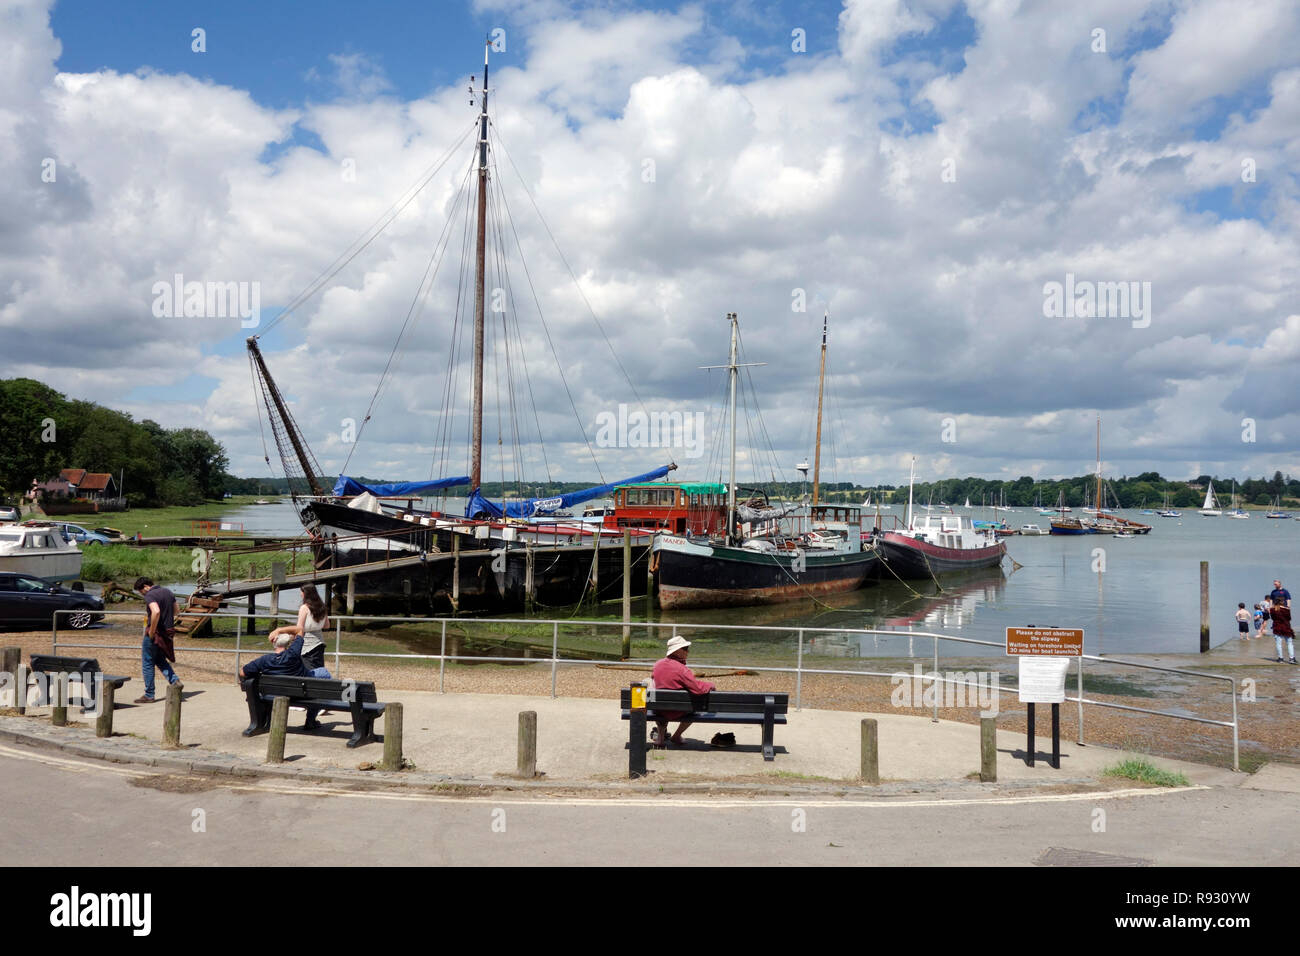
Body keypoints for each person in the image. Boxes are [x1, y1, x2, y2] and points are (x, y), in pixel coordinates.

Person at [239, 633, 324, 728]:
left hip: (274, 694)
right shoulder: (293, 654)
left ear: (274, 644)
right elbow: (300, 630)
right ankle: (310, 721)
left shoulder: (264, 660)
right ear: (288, 645)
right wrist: (281, 630)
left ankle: (261, 723)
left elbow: (242, 673)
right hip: (301, 694)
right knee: (323, 674)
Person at [649, 636, 716, 747]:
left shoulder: (657, 665)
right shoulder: (682, 669)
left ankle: (660, 738)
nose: (688, 651)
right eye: (685, 649)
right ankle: (676, 735)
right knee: (695, 707)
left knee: (661, 703)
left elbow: (653, 678)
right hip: (678, 711)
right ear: (677, 651)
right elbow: (698, 689)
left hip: (659, 709)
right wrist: (710, 685)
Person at [133, 577, 181, 704]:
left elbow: (156, 611)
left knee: (147, 661)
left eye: (140, 591)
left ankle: (149, 694)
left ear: (145, 587)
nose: (142, 594)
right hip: (168, 631)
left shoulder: (150, 595)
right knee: (159, 659)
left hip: (156, 633)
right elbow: (177, 611)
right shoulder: (168, 592)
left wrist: (152, 631)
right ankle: (174, 681)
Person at [267, 584, 330, 675]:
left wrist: (288, 638)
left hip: (306, 645)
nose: (300, 594)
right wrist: (316, 625)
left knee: (307, 672)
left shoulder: (304, 608)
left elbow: (299, 628)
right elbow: (327, 625)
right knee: (318, 670)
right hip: (319, 643)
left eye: (301, 592)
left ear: (306, 594)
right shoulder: (322, 607)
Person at [1271, 600, 1295, 664]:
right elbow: (1289, 619)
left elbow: (1273, 618)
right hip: (1286, 628)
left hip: (1277, 627)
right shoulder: (1287, 610)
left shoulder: (1273, 610)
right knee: (1289, 643)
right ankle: (1291, 658)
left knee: (1278, 644)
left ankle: (1280, 658)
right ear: (1283, 603)